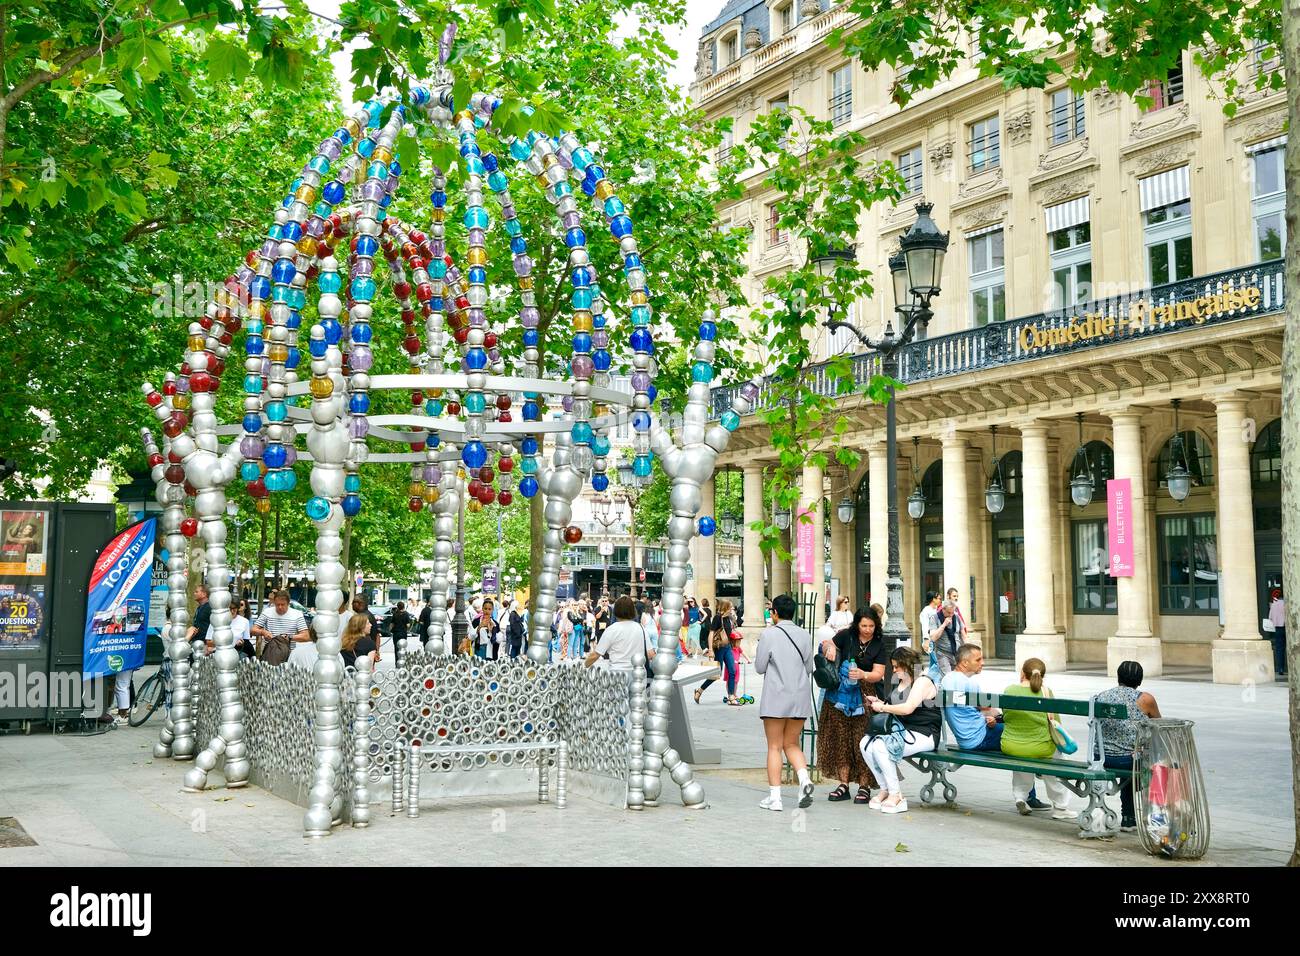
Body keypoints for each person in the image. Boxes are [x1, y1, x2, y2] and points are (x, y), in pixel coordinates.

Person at [816, 606, 887, 803]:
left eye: (871, 626)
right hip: (839, 695)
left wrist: (864, 674)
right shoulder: (846, 635)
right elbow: (827, 643)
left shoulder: (879, 644)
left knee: (862, 740)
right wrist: (829, 647)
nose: (867, 629)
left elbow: (879, 673)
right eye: (864, 625)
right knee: (841, 740)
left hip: (865, 697)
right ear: (857, 624)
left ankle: (864, 786)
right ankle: (843, 784)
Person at [755, 593, 816, 811]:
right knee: (792, 743)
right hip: (799, 695)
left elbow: (760, 666)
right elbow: (809, 668)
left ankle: (775, 798)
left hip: (775, 695)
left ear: (775, 613)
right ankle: (804, 779)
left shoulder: (769, 634)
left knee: (774, 746)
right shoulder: (804, 634)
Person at [862, 646, 940, 813]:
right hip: (904, 731)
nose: (895, 670)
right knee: (865, 744)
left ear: (907, 664)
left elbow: (907, 709)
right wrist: (879, 702)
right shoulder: (902, 681)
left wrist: (882, 708)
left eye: (897, 666)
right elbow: (893, 706)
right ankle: (885, 789)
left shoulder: (922, 681)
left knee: (880, 746)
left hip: (925, 733)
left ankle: (896, 795)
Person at [1001, 658, 1074, 819]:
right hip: (1040, 747)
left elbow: (1006, 715)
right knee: (1056, 762)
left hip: (1011, 745)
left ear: (1022, 673)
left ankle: (1021, 797)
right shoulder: (1046, 692)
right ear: (1042, 675)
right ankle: (1061, 808)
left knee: (1022, 757)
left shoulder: (1009, 690)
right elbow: (1056, 723)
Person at [1095, 660, 1161, 832]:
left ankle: (1117, 815)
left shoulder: (1101, 697)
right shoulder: (1146, 699)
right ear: (1139, 680)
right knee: (1137, 759)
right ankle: (1129, 818)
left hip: (1100, 758)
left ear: (1118, 677)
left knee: (1132, 756)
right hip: (1127, 760)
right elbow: (1159, 724)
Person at [585, 595, 653, 670]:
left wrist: (584, 666)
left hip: (617, 674)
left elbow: (596, 654)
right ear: (633, 610)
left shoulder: (611, 629)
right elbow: (650, 654)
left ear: (616, 611)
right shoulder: (641, 628)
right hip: (637, 674)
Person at [696, 599, 740, 705]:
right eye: (730, 607)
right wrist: (710, 650)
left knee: (732, 671)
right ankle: (699, 690)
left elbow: (733, 629)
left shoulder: (729, 618)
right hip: (719, 648)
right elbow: (711, 633)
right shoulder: (717, 618)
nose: (732, 609)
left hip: (728, 647)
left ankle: (731, 696)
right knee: (716, 674)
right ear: (725, 608)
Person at [251, 590, 310, 665]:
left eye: (283, 604)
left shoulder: (297, 614)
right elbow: (253, 630)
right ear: (274, 603)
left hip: (289, 654)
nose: (280, 607)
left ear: (288, 604)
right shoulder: (267, 612)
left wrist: (289, 637)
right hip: (270, 653)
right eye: (277, 604)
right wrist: (263, 632)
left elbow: (306, 636)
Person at [927, 600, 962, 680]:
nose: (951, 615)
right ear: (943, 609)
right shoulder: (935, 618)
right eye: (949, 613)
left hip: (956, 653)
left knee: (957, 678)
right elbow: (933, 638)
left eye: (952, 612)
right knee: (948, 677)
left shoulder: (956, 617)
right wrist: (944, 625)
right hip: (942, 653)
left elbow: (962, 634)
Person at [184, 585, 211, 652]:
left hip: (204, 646)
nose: (194, 593)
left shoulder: (209, 608)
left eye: (196, 592)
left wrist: (208, 644)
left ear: (204, 594)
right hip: (196, 644)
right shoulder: (199, 608)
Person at [1268, 588, 1287, 677]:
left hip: (1278, 629)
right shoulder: (1285, 603)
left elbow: (1270, 617)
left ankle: (1281, 668)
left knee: (1279, 649)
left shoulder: (1273, 605)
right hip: (1286, 628)